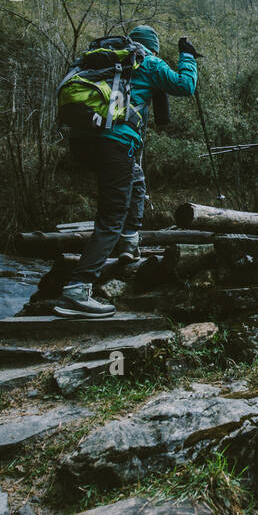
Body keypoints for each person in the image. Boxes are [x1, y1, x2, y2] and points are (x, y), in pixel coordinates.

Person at [60, 25, 198, 317]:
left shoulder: (108, 61)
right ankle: (77, 289)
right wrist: (187, 56)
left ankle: (129, 243)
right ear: (153, 48)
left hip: (83, 140)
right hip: (115, 143)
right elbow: (185, 85)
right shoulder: (148, 62)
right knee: (111, 217)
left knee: (135, 178)